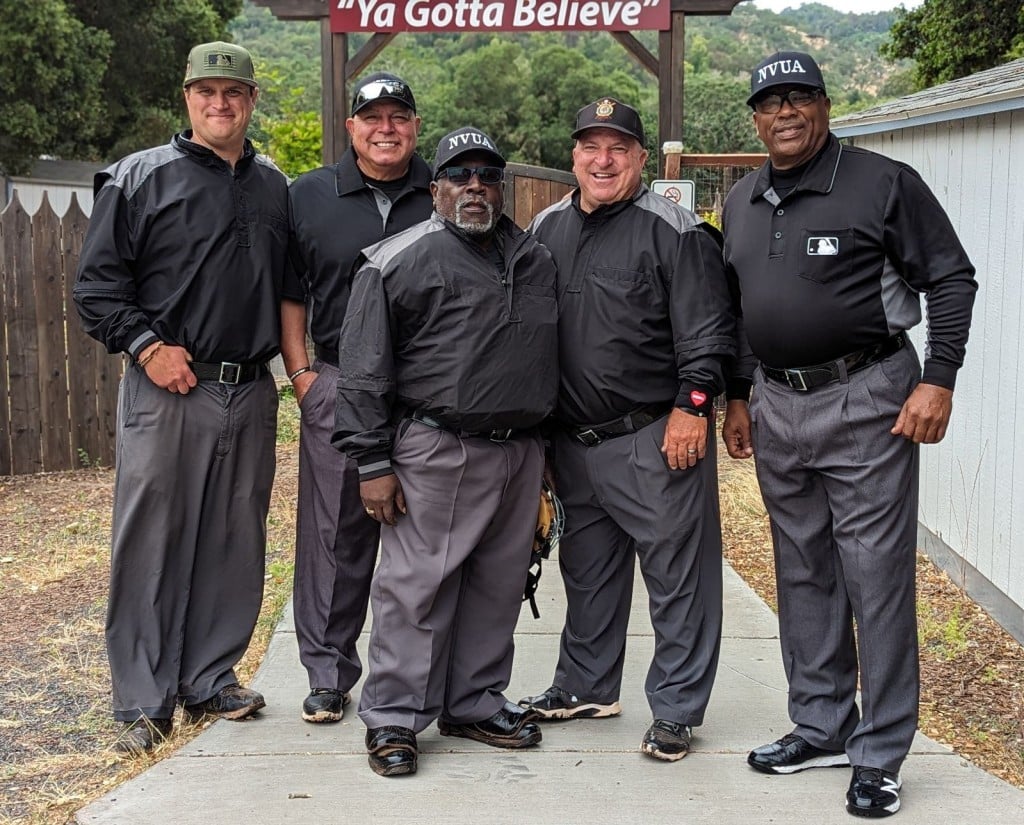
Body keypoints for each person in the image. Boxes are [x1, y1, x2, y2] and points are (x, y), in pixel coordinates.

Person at [721, 51, 977, 818]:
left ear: (826, 107)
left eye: (800, 97)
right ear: (756, 119)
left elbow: (952, 276)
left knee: (874, 574)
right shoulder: (740, 199)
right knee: (802, 569)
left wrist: (940, 376)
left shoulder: (882, 183)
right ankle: (823, 722)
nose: (785, 112)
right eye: (770, 102)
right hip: (776, 401)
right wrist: (738, 396)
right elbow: (737, 307)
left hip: (867, 396)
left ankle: (879, 750)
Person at [72, 41, 291, 755]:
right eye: (207, 92)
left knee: (235, 535)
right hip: (169, 386)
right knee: (151, 540)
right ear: (187, 97)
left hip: (249, 387)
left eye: (234, 92)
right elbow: (97, 288)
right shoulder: (139, 177)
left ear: (251, 100)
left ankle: (207, 675)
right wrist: (145, 346)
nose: (220, 104)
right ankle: (141, 695)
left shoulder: (272, 186)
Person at [332, 127, 558, 777]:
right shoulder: (396, 259)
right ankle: (394, 716)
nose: (476, 187)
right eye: (460, 176)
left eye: (488, 176)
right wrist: (372, 461)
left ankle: (473, 700)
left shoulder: (533, 257)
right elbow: (365, 371)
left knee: (497, 586)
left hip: (519, 451)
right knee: (415, 587)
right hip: (436, 447)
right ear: (435, 189)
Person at [518, 98, 736, 763]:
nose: (603, 159)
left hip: (654, 434)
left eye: (618, 147)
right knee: (586, 573)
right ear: (574, 154)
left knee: (678, 579)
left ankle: (674, 708)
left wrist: (693, 406)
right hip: (573, 441)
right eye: (590, 146)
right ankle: (586, 684)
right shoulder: (545, 228)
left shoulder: (676, 231)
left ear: (642, 158)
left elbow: (709, 330)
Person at [283, 72, 433, 724]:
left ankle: (422, 671)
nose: (386, 128)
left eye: (399, 116)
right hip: (339, 381)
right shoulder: (308, 195)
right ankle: (328, 670)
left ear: (415, 126)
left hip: (426, 390)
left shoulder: (445, 189)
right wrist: (301, 376)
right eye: (372, 117)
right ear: (352, 127)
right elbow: (291, 293)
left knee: (424, 538)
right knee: (336, 536)